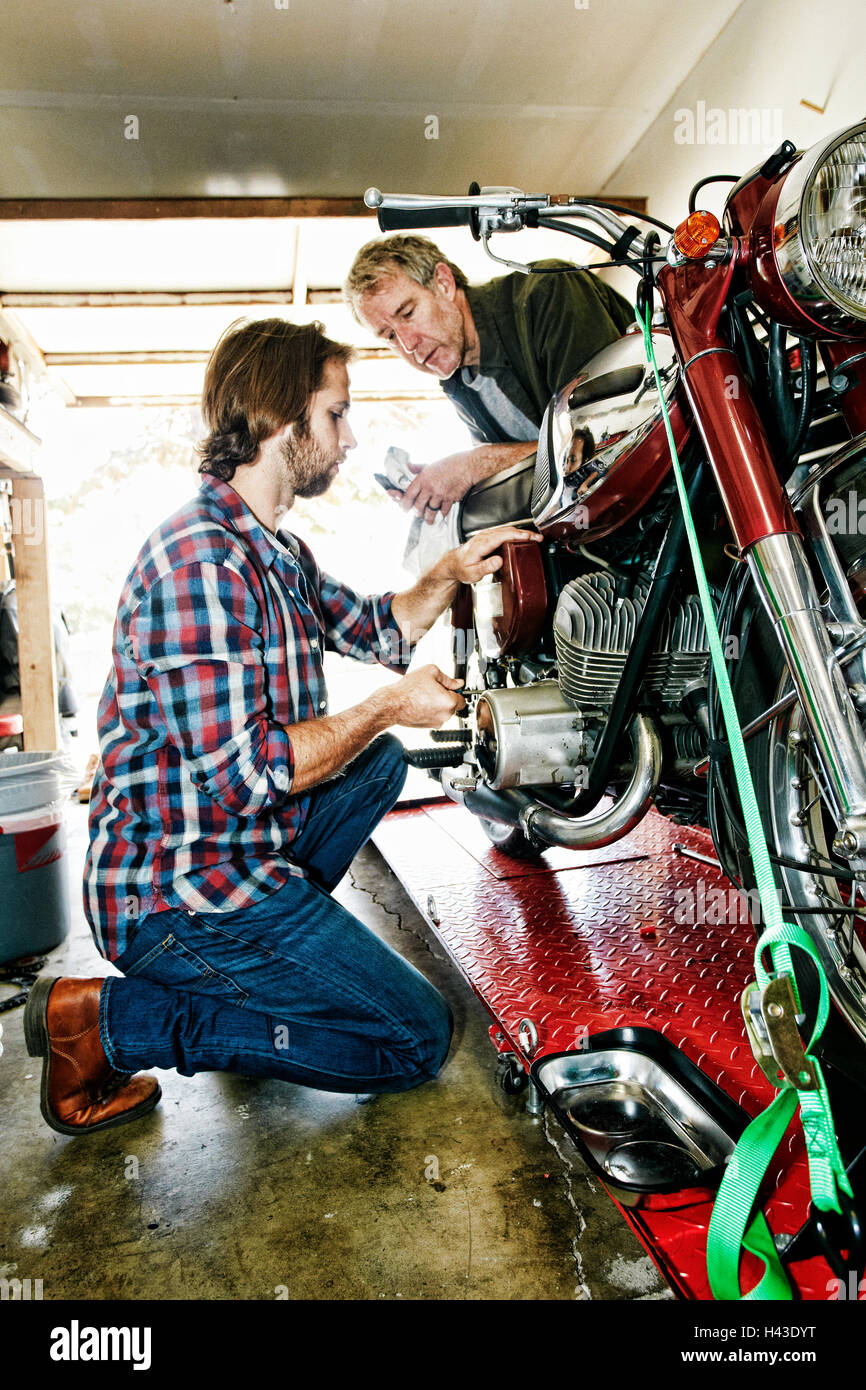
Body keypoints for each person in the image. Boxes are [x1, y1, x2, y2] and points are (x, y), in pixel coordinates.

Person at [24, 317, 538, 1136]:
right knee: (415, 1038)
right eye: (335, 414)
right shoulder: (200, 564)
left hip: (235, 843)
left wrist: (452, 567)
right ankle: (111, 1025)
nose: (349, 435)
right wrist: (388, 705)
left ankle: (260, 981)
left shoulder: (275, 553)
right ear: (278, 420)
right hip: (175, 894)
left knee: (378, 766)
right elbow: (250, 776)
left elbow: (381, 629)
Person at [345, 233, 634, 522]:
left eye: (408, 313)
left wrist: (477, 464)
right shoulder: (461, 385)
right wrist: (453, 488)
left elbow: (605, 441)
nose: (408, 345)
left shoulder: (547, 292)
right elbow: (537, 485)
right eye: (390, 336)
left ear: (443, 283)